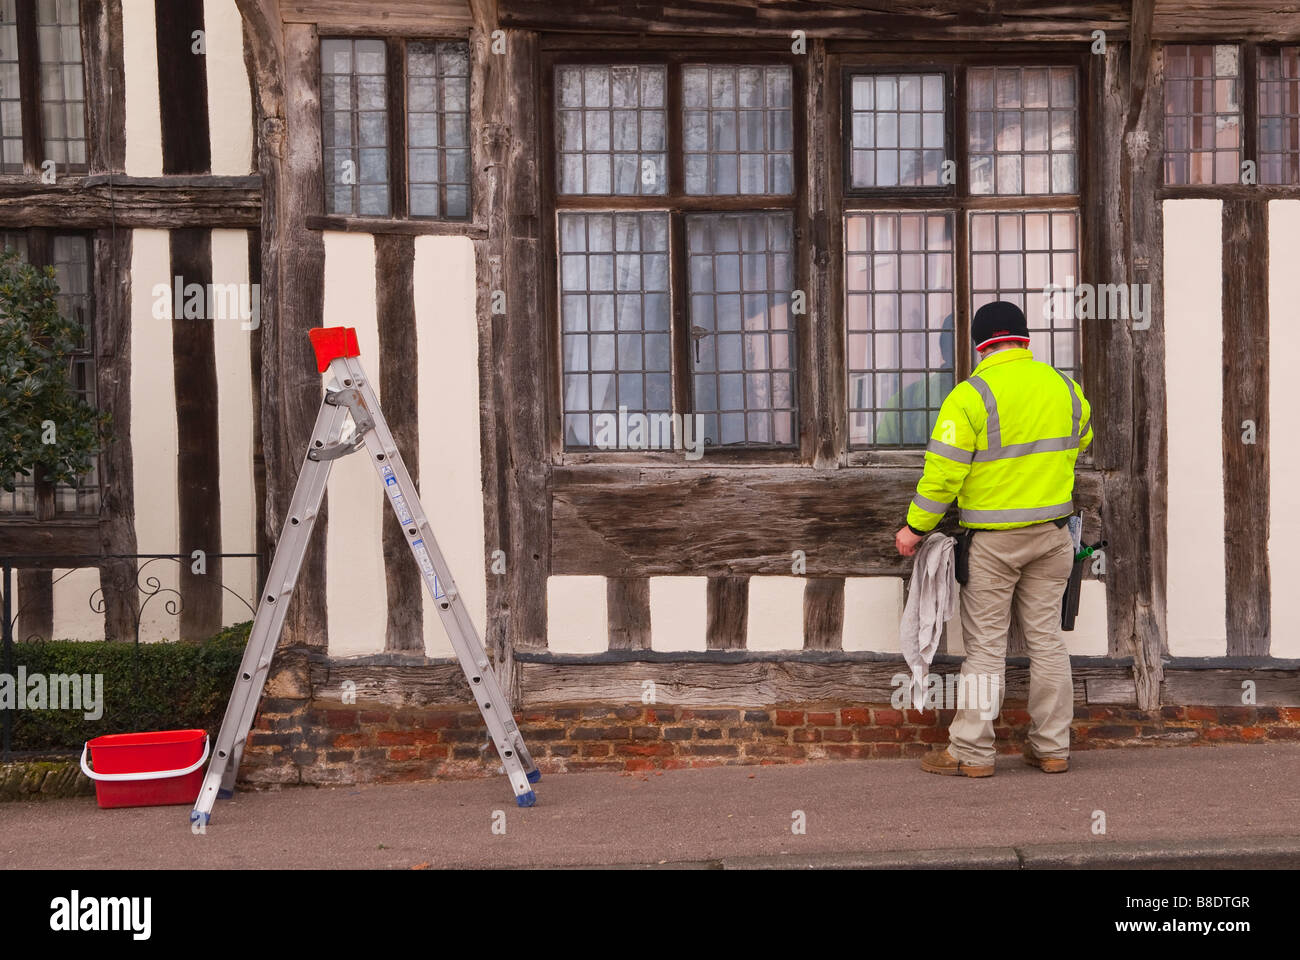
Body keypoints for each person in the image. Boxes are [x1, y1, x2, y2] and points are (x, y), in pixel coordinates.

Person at [894, 301, 1093, 778]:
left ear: (980, 345)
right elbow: (1080, 441)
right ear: (1025, 340)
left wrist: (915, 528)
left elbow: (942, 475)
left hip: (993, 543)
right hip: (1053, 535)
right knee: (1047, 642)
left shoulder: (970, 395)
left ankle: (972, 753)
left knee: (986, 649)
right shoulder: (1066, 388)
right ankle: (1052, 749)